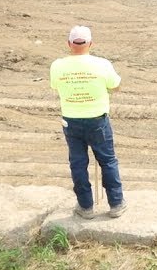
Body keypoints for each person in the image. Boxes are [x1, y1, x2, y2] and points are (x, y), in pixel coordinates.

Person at [50, 25, 127, 219]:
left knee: (78, 163)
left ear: (69, 44)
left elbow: (55, 86)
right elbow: (116, 86)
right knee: (107, 161)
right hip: (97, 121)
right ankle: (116, 204)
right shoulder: (102, 64)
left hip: (71, 121)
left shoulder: (58, 65)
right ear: (91, 43)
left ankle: (85, 207)